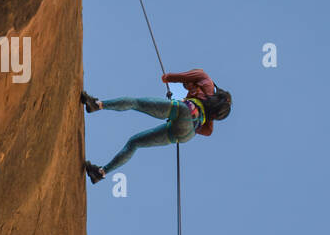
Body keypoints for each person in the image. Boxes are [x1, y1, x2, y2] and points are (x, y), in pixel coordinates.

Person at [81, 69, 231, 183]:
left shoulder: (204, 78)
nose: (187, 86)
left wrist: (169, 83)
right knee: (135, 143)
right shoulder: (211, 111)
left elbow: (170, 78)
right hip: (186, 134)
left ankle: (97, 105)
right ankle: (100, 173)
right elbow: (207, 131)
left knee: (136, 103)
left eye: (189, 85)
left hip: (185, 110)